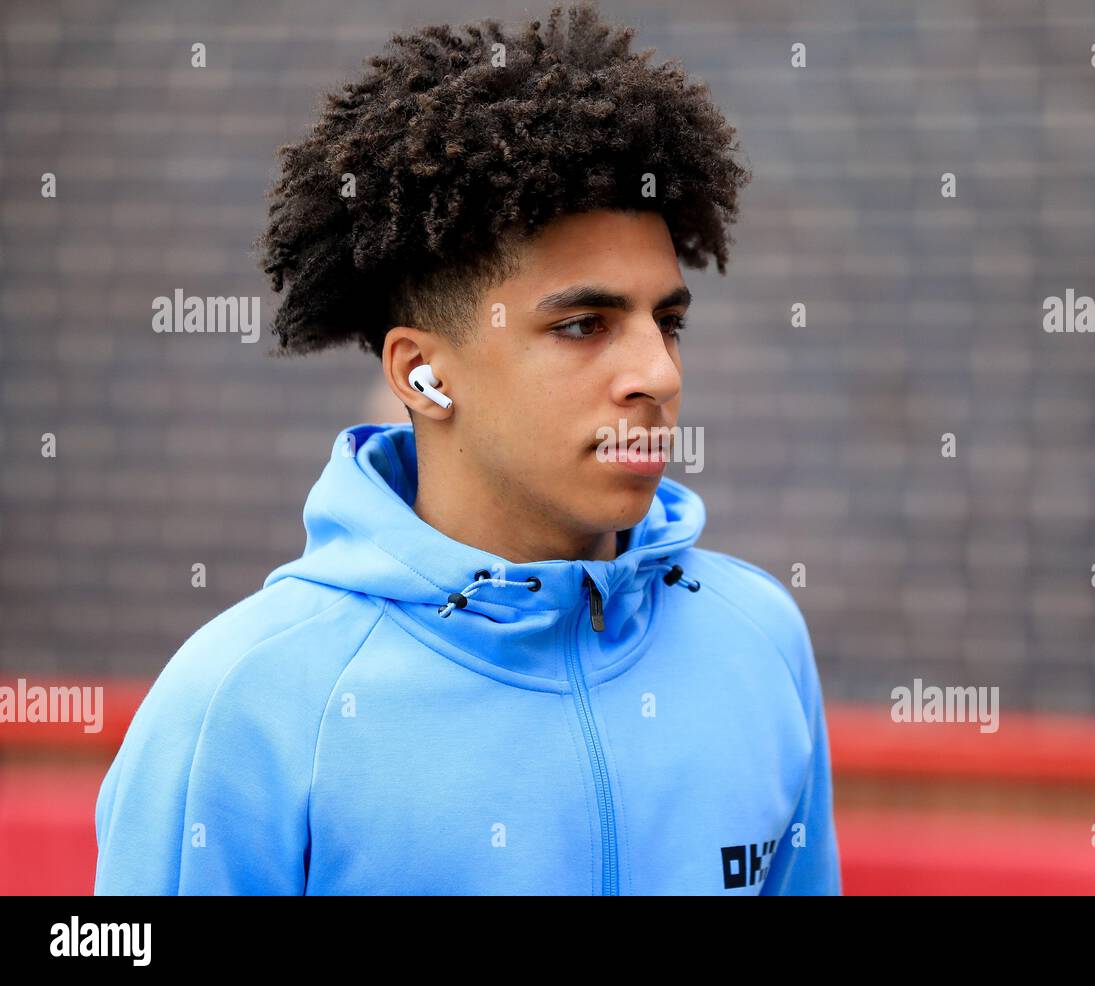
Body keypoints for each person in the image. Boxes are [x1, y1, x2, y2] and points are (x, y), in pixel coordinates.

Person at [93, 0, 840, 895]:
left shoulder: (757, 639)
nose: (658, 373)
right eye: (583, 324)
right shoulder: (245, 707)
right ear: (422, 375)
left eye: (667, 322)